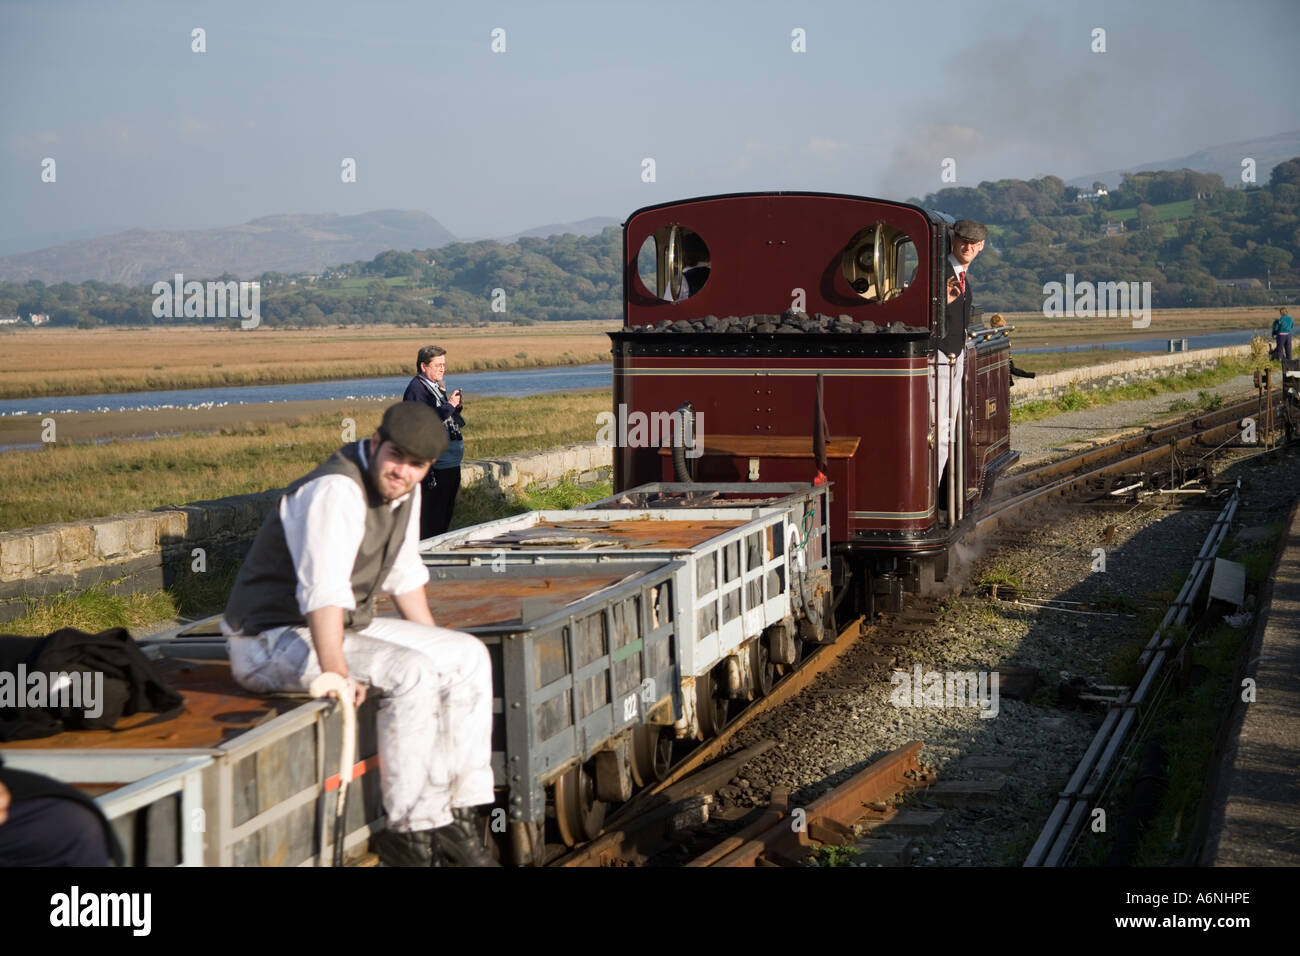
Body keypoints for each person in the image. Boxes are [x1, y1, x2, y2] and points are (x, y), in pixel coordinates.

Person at [221, 401, 497, 867]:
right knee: (411, 673)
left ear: (427, 466)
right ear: (375, 443)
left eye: (416, 465)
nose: (403, 471)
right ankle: (410, 831)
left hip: (335, 626)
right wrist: (336, 674)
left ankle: (458, 815)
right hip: (268, 640)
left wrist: (440, 653)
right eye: (397, 456)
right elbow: (323, 592)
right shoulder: (336, 491)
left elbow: (405, 575)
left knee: (467, 657)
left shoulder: (405, 492)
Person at [935, 219, 987, 497]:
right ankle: (930, 494)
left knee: (950, 426)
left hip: (956, 355)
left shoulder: (962, 276)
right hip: (941, 357)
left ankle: (940, 491)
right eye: (963, 242)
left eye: (973, 243)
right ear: (954, 242)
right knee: (940, 427)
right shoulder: (938, 273)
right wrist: (943, 299)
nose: (967, 247)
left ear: (981, 247)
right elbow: (925, 315)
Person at [403, 346, 465, 539]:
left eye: (444, 365)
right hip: (435, 465)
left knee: (444, 514)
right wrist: (449, 406)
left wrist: (454, 407)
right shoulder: (417, 389)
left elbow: (442, 417)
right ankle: (428, 556)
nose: (442, 369)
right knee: (432, 517)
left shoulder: (432, 386)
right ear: (423, 366)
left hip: (448, 462)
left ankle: (436, 550)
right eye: (437, 365)